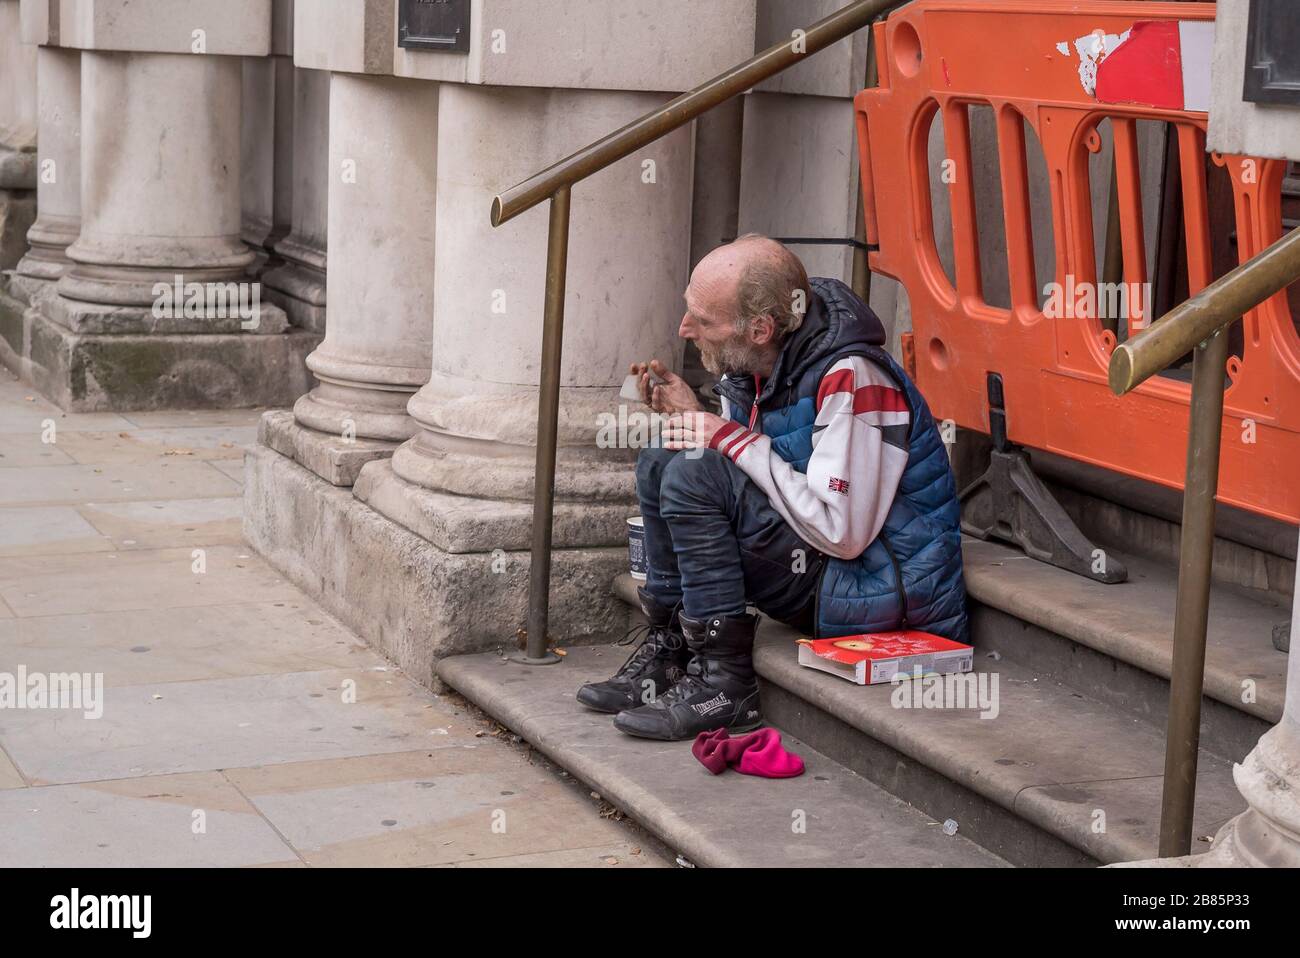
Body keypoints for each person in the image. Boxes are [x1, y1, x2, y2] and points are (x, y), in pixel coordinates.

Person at [577, 234, 967, 741]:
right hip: (815, 562)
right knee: (664, 455)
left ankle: (726, 683)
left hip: (871, 586)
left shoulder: (853, 378)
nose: (685, 327)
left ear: (760, 328)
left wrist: (729, 439)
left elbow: (842, 531)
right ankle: (673, 649)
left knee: (696, 471)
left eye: (702, 318)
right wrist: (699, 420)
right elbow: (762, 468)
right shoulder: (759, 362)